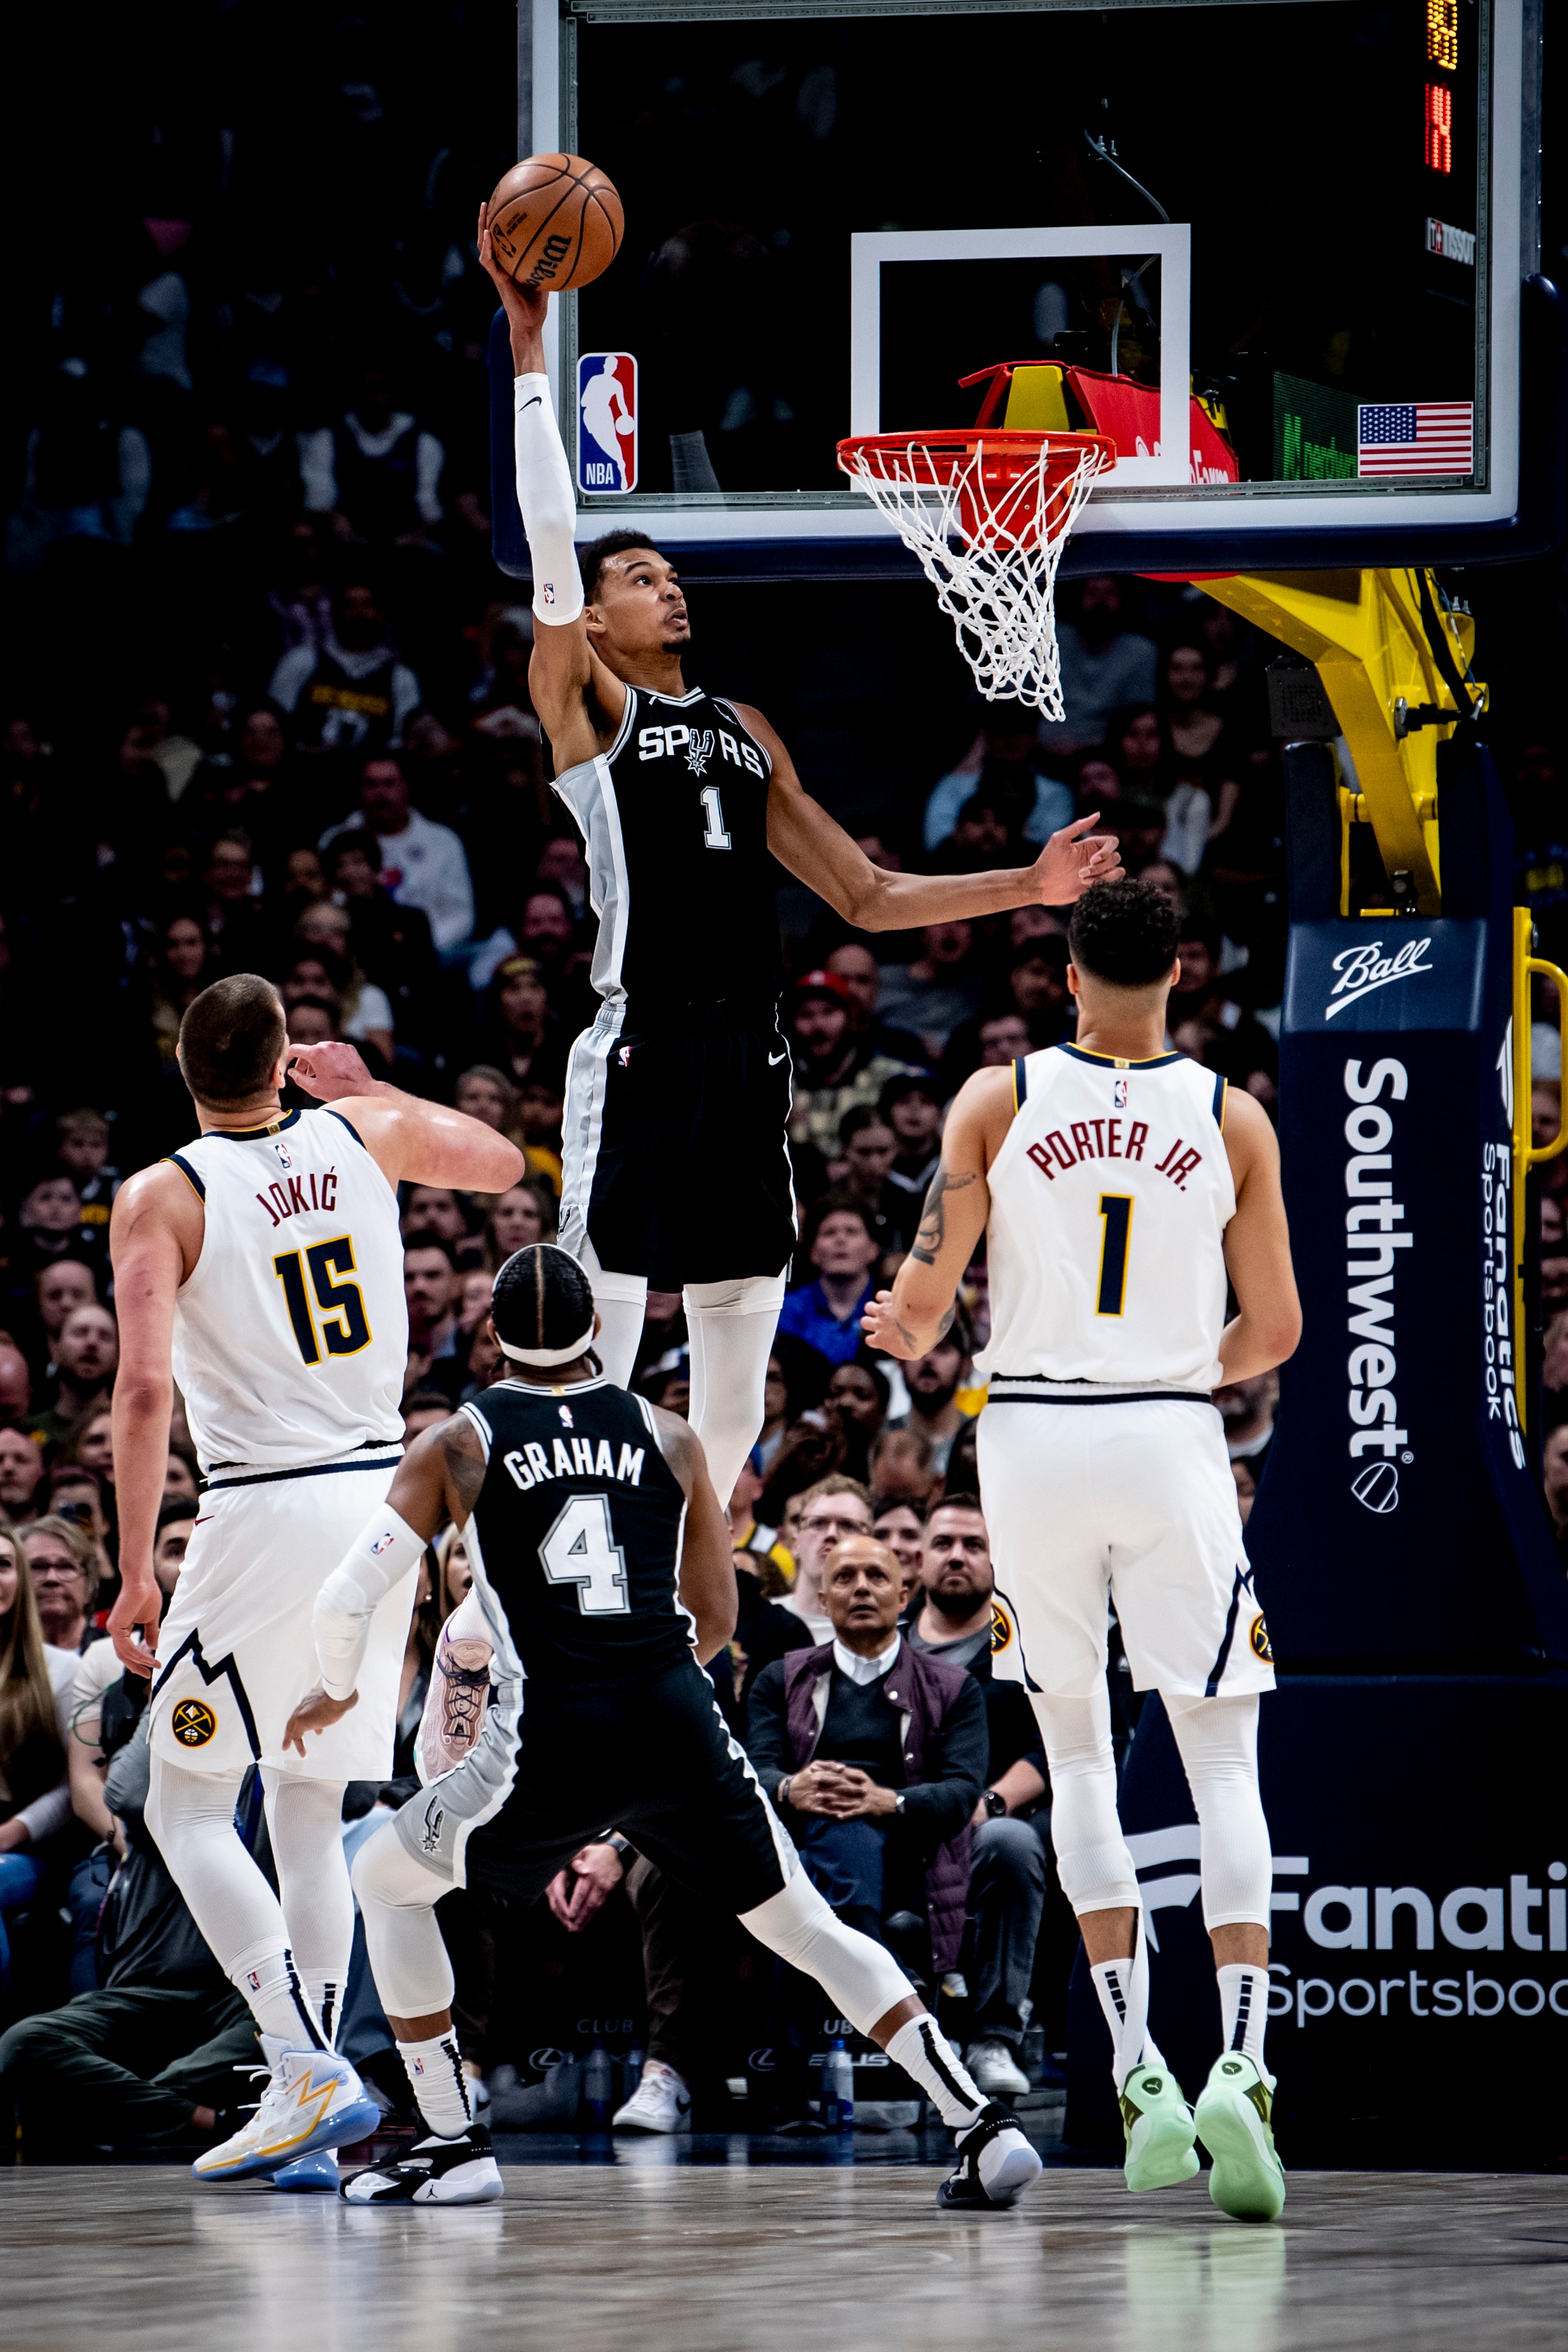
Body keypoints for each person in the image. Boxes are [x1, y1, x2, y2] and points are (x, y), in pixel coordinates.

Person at [477, 207, 1121, 1522]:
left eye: (667, 573)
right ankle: (563, 1541)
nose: (666, 589)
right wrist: (530, 351)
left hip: (748, 1048)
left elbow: (865, 897)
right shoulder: (590, 709)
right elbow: (552, 539)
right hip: (641, 1039)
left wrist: (1028, 889)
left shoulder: (744, 729)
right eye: (639, 578)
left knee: (734, 1332)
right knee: (595, 1312)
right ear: (592, 619)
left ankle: (691, 1569)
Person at [284, 1245, 1041, 2210]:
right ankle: (980, 2121)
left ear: (490, 1341)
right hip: (675, 1716)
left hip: (549, 1733)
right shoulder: (669, 1433)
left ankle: (452, 2140)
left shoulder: (459, 1442)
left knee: (383, 1884)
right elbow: (717, 1620)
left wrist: (335, 1687)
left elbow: (351, 1594)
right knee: (801, 1922)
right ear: (598, 1330)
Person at [864, 876, 1301, 2223]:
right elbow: (1273, 1331)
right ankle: (1241, 2060)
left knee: (1074, 1763)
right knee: (1218, 1753)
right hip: (1167, 1437)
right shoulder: (1230, 1116)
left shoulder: (996, 1100)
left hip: (1034, 1443)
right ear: (1180, 971)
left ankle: (1131, 2067)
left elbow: (926, 1311)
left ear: (1062, 976)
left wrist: (899, 1319)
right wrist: (1169, 1375)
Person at [105, 979, 522, 2187]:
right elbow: (498, 1161)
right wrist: (370, 1086)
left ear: (183, 1069)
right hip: (380, 1503)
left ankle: (299, 2063)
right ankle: (309, 2114)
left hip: (261, 1506)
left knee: (184, 1805)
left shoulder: (161, 1192)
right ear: (288, 1059)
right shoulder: (365, 1131)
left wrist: (136, 1569)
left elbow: (141, 1392)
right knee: (301, 1803)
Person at [744, 1533, 986, 2051]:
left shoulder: (953, 1686)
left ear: (904, 1597)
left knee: (841, 1837)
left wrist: (886, 1800)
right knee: (837, 1833)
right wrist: (792, 1787)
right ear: (823, 1599)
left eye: (876, 1577)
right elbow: (751, 1771)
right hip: (802, 1837)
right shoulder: (778, 1679)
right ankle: (889, 1976)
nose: (860, 1588)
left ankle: (790, 2072)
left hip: (912, 1848)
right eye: (844, 1578)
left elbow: (963, 1792)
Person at [903, 1496, 1053, 2099]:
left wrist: (985, 1804)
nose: (957, 1557)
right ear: (919, 1557)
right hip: (894, 1818)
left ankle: (993, 2037)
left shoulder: (1024, 1647)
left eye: (974, 1545)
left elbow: (1056, 1750)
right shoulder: (882, 1640)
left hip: (986, 1823)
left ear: (999, 1559)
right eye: (944, 1544)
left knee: (1010, 1842)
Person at [0, 1526, 72, 1989]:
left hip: (27, 1841)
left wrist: (11, 1832)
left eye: (3, 1564)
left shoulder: (64, 1670)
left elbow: (75, 1787)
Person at [775, 1198, 881, 1367]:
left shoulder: (892, 1307)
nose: (840, 1240)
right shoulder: (788, 1310)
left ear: (873, 1249)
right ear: (813, 1252)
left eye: (852, 1232)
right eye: (829, 1233)